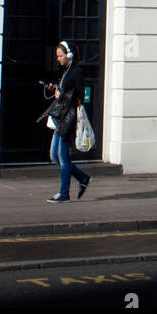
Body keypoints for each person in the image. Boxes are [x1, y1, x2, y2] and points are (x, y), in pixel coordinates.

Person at [40, 40, 91, 202]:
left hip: (67, 118)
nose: (58, 59)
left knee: (62, 155)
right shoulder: (66, 71)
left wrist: (61, 95)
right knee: (54, 155)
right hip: (60, 117)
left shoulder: (76, 72)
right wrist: (55, 89)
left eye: (60, 56)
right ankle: (82, 178)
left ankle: (64, 193)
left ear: (69, 55)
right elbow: (66, 91)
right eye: (57, 56)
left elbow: (80, 95)